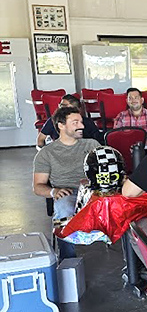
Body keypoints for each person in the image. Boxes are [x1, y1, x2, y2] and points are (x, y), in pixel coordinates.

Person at [33, 106, 102, 259]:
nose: (82, 126)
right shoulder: (46, 153)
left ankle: (132, 265)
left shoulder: (92, 144)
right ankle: (67, 261)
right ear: (61, 125)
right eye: (75, 122)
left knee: (124, 206)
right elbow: (38, 186)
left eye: (81, 122)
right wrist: (54, 191)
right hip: (67, 192)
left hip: (94, 191)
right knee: (63, 209)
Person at [37, 95, 103, 148]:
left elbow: (97, 140)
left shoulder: (88, 122)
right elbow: (40, 140)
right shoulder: (52, 121)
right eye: (60, 105)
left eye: (63, 106)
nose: (60, 108)